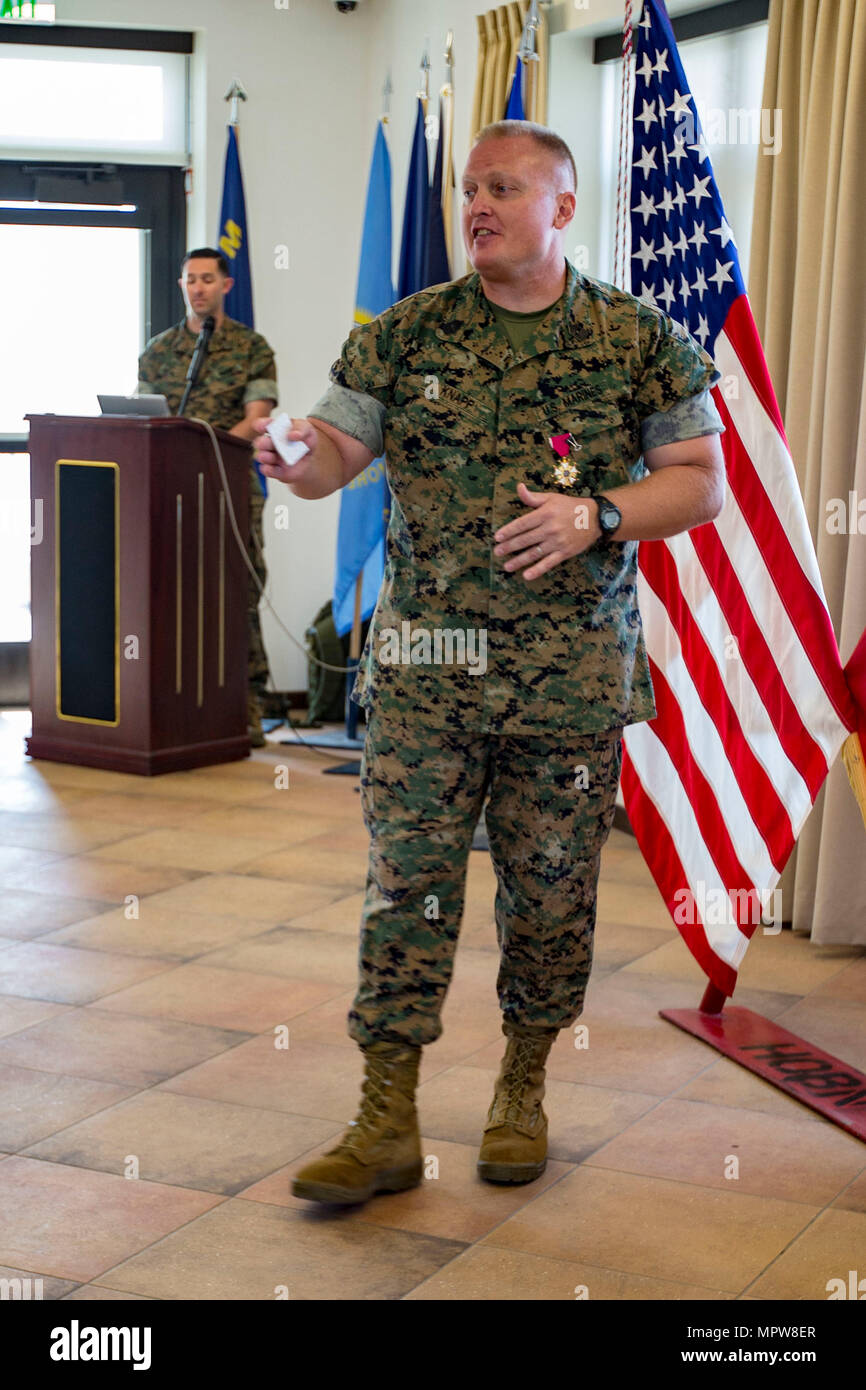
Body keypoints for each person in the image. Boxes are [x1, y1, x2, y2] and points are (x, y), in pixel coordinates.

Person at [255, 120, 725, 1205]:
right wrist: (291, 453)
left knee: (550, 894)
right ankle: (384, 1115)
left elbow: (696, 481)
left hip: (566, 679)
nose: (476, 205)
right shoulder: (406, 334)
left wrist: (596, 512)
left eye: (502, 188)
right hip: (426, 669)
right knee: (406, 887)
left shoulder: (633, 337)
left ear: (561, 208)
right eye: (468, 188)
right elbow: (330, 460)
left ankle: (521, 1085)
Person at [137, 248, 278, 747]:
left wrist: (200, 452)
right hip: (164, 491)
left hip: (229, 485)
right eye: (190, 279)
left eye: (207, 279)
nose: (198, 287)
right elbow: (140, 417)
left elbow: (257, 416)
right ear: (181, 286)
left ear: (226, 286)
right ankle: (168, 707)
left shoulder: (251, 347)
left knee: (236, 595)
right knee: (162, 594)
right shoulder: (158, 350)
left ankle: (247, 709)